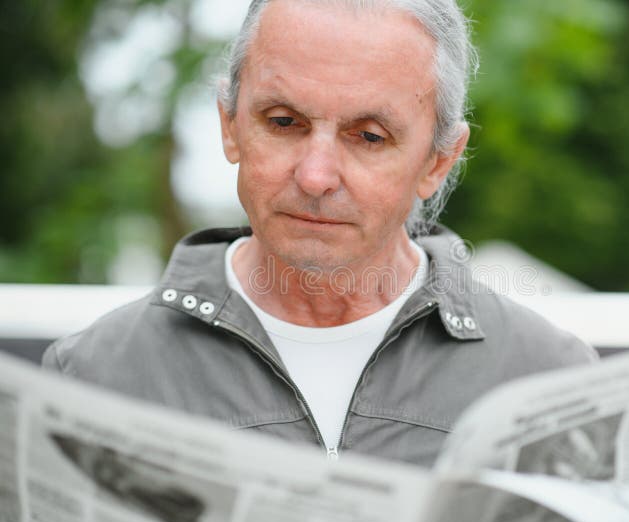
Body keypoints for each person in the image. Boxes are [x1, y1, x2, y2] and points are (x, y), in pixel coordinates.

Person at [43, 0, 596, 468]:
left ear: (438, 161)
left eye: (369, 136)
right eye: (284, 122)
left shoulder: (547, 380)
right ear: (229, 126)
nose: (315, 176)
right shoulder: (95, 373)